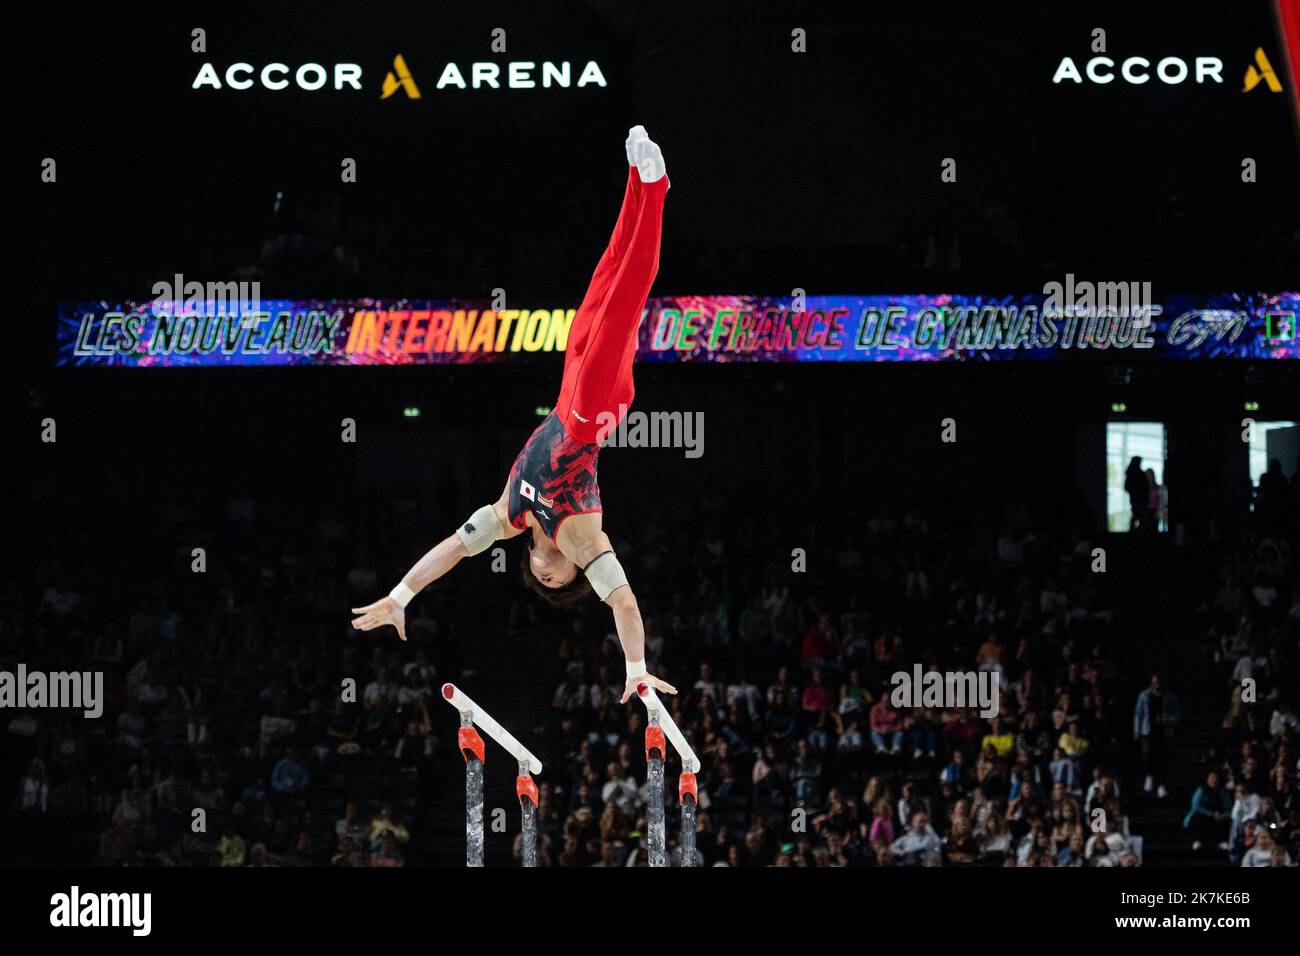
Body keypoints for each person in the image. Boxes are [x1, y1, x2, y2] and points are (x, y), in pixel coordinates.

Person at [352, 127, 676, 704]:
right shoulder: (584, 541)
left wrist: (401, 595)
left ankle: (635, 179)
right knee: (627, 299)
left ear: (531, 560)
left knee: (603, 285)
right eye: (565, 582)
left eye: (545, 580)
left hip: (569, 394)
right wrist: (634, 668)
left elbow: (452, 548)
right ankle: (656, 189)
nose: (556, 577)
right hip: (592, 413)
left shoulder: (509, 515)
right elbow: (623, 601)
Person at [1133, 673, 1180, 799]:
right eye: (1155, 682)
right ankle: (1149, 776)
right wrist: (1136, 729)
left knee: (1163, 759)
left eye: (1159, 682)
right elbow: (1138, 713)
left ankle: (1162, 785)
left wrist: (1168, 719)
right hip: (1147, 731)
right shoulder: (1144, 696)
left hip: (1164, 732)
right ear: (1151, 683)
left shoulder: (1169, 697)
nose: (1157, 684)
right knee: (1147, 754)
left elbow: (1177, 713)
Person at [1183, 769, 1231, 852]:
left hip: (1218, 817)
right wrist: (1211, 814)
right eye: (1212, 778)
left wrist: (1223, 815)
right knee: (1197, 817)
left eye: (1216, 778)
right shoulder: (1201, 790)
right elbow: (1196, 806)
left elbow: (1229, 808)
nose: (1214, 781)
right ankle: (1196, 841)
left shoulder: (1223, 793)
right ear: (1207, 780)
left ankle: (1221, 842)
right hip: (1203, 816)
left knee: (1226, 820)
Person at [1124, 456, 1148, 532]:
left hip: (1135, 501)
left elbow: (1126, 487)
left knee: (1136, 518)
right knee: (1140, 519)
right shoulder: (1141, 474)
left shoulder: (1130, 474)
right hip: (1140, 501)